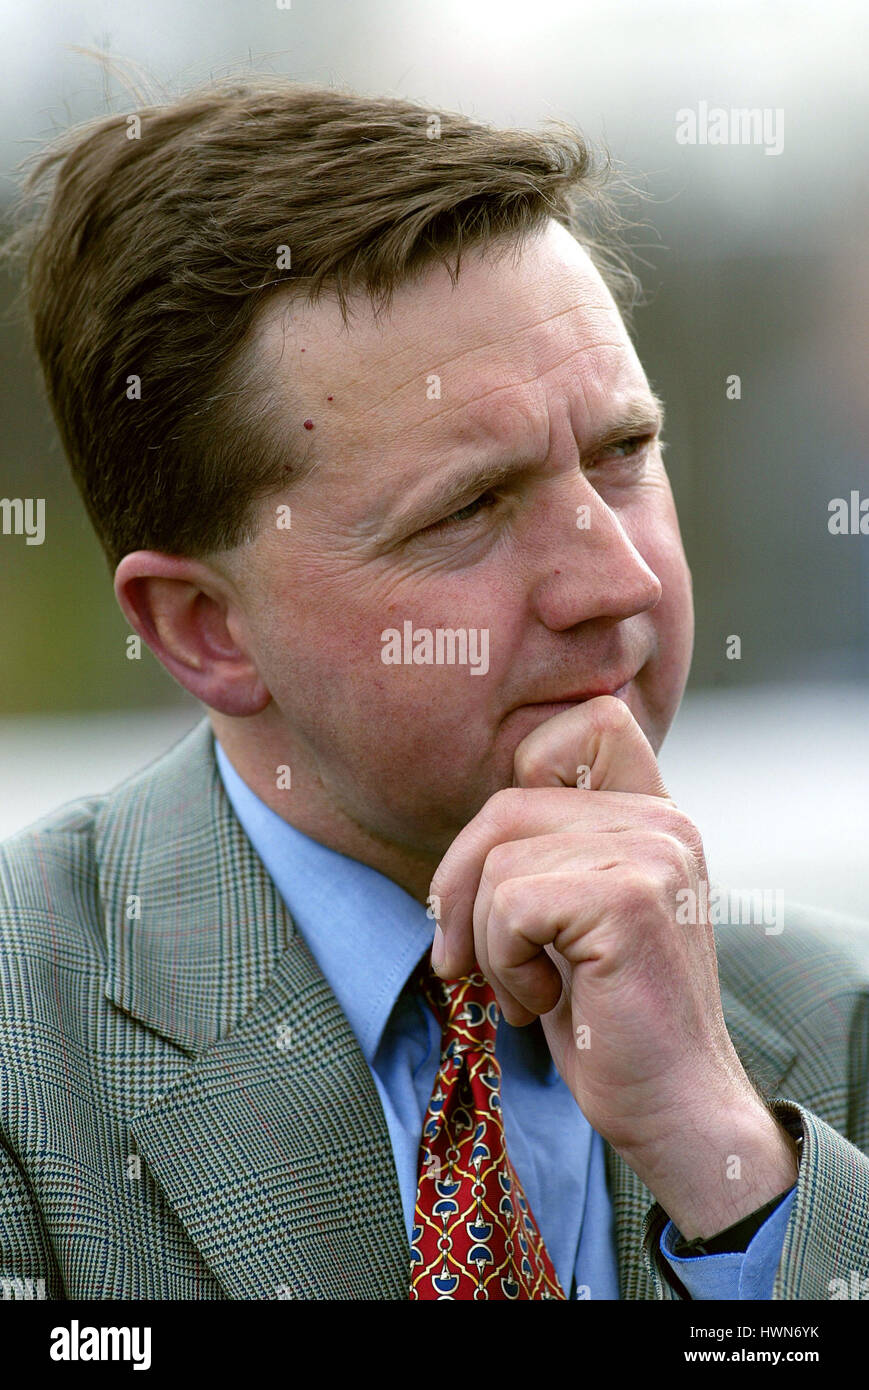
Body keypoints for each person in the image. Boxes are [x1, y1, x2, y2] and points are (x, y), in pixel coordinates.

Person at [1, 76, 867, 1302]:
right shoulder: (25, 1057)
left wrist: (729, 1172)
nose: (615, 579)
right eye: (469, 508)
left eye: (622, 453)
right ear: (205, 631)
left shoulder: (837, 1021)